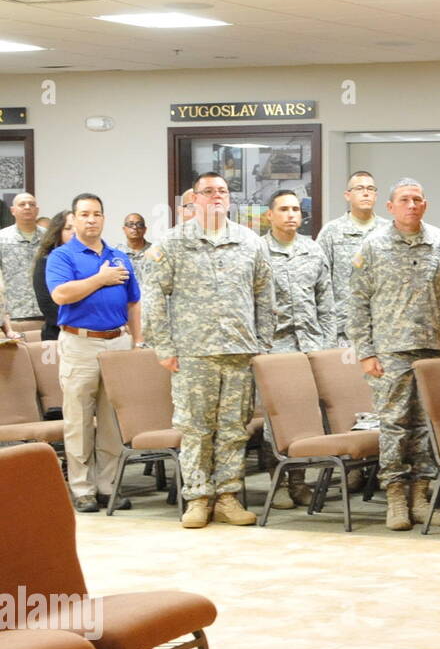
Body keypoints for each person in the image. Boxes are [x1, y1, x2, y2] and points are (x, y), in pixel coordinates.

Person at [145, 172, 274, 528]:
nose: (216, 196)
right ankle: (198, 498)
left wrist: (261, 343)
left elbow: (265, 296)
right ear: (194, 201)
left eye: (222, 191)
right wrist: (164, 347)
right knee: (196, 428)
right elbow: (155, 298)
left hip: (238, 350)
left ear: (229, 199)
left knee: (234, 427)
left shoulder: (250, 242)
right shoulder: (172, 242)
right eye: (208, 192)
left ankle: (228, 497)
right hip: (192, 351)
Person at [348, 178, 440, 531]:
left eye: (417, 199)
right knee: (395, 426)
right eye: (404, 200)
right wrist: (365, 352)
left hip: (433, 349)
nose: (411, 205)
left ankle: (420, 496)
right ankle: (396, 497)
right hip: (390, 350)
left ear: (425, 205)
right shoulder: (373, 245)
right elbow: (357, 302)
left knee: (427, 424)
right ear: (391, 207)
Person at [46, 193, 142, 513]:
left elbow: (133, 302)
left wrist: (137, 340)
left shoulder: (119, 256)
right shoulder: (63, 256)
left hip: (117, 343)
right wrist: (100, 279)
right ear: (73, 219)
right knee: (80, 420)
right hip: (80, 343)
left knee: (113, 421)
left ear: (104, 218)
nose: (91, 219)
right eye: (84, 214)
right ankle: (82, 488)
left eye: (97, 214)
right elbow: (61, 294)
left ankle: (107, 485)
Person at [259, 189, 336, 510]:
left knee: (305, 417)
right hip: (274, 348)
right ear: (269, 215)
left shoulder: (312, 249)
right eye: (284, 209)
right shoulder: (257, 251)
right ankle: (276, 484)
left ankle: (298, 482)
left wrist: (327, 346)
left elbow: (326, 302)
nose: (292, 214)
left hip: (310, 346)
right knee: (273, 420)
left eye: (296, 209)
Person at [315, 170, 389, 344]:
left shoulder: (388, 231)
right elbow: (319, 280)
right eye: (359, 188)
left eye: (370, 189)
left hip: (383, 326)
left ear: (376, 195)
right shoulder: (332, 232)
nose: (366, 193)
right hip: (343, 328)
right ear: (347, 195)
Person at [0, 192, 42, 323]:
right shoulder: (2, 237)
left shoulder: (50, 237)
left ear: (37, 210)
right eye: (22, 204)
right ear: (13, 210)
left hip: (45, 310)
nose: (27, 207)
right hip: (13, 312)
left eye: (31, 204)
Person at [31, 211, 74, 342]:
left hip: (89, 334)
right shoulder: (46, 260)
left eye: (77, 227)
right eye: (68, 228)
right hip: (57, 333)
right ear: (57, 232)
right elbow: (47, 304)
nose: (74, 232)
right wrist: (79, 322)